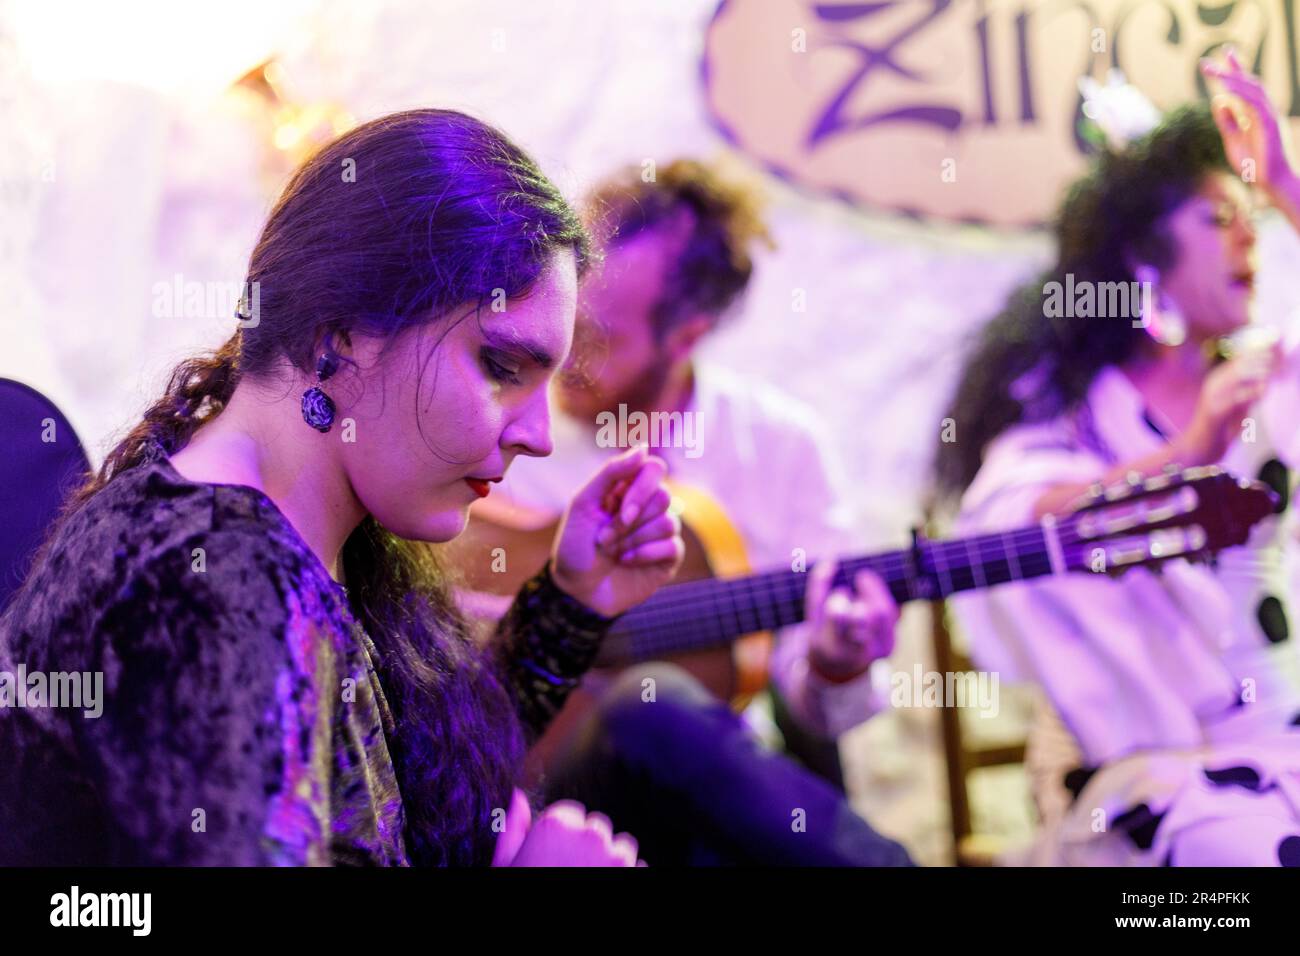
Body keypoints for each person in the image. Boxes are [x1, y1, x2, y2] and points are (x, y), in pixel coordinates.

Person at [0, 109, 686, 867]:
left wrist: (574, 597)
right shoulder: (218, 588)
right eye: (500, 368)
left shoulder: (294, 532)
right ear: (343, 332)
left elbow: (414, 788)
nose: (538, 434)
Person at [451, 159, 913, 865]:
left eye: (603, 337)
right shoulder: (509, 426)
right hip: (532, 789)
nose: (570, 358)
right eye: (569, 323)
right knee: (649, 700)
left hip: (715, 787)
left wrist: (836, 663)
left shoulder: (780, 447)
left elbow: (823, 710)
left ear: (688, 333)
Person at [935, 52, 1300, 866]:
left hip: (1284, 742)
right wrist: (1188, 453)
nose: (1249, 236)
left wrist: (1283, 182)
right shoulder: (1071, 416)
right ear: (1143, 260)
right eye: (1217, 218)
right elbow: (1012, 524)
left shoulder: (1266, 382)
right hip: (1137, 782)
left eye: (1253, 215)